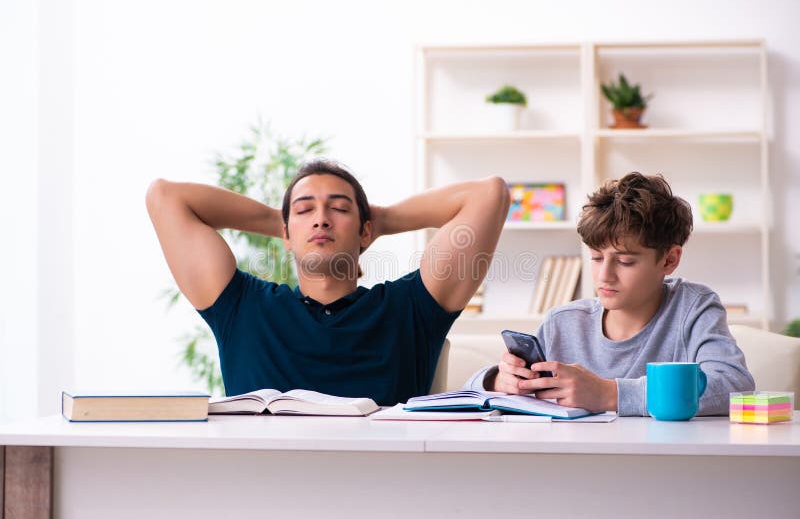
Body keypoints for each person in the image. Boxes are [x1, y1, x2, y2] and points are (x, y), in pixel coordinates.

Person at [146, 158, 509, 405]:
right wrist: (281, 222)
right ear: (285, 234)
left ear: (366, 229)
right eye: (305, 210)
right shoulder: (242, 308)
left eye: (338, 208)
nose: (321, 219)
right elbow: (166, 196)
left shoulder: (411, 308)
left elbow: (489, 194)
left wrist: (378, 222)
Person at [465, 172, 754, 416]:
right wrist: (499, 381)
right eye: (596, 258)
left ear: (669, 260)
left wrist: (610, 394)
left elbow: (733, 385)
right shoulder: (563, 323)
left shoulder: (693, 308)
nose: (605, 275)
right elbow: (470, 392)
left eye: (625, 261)